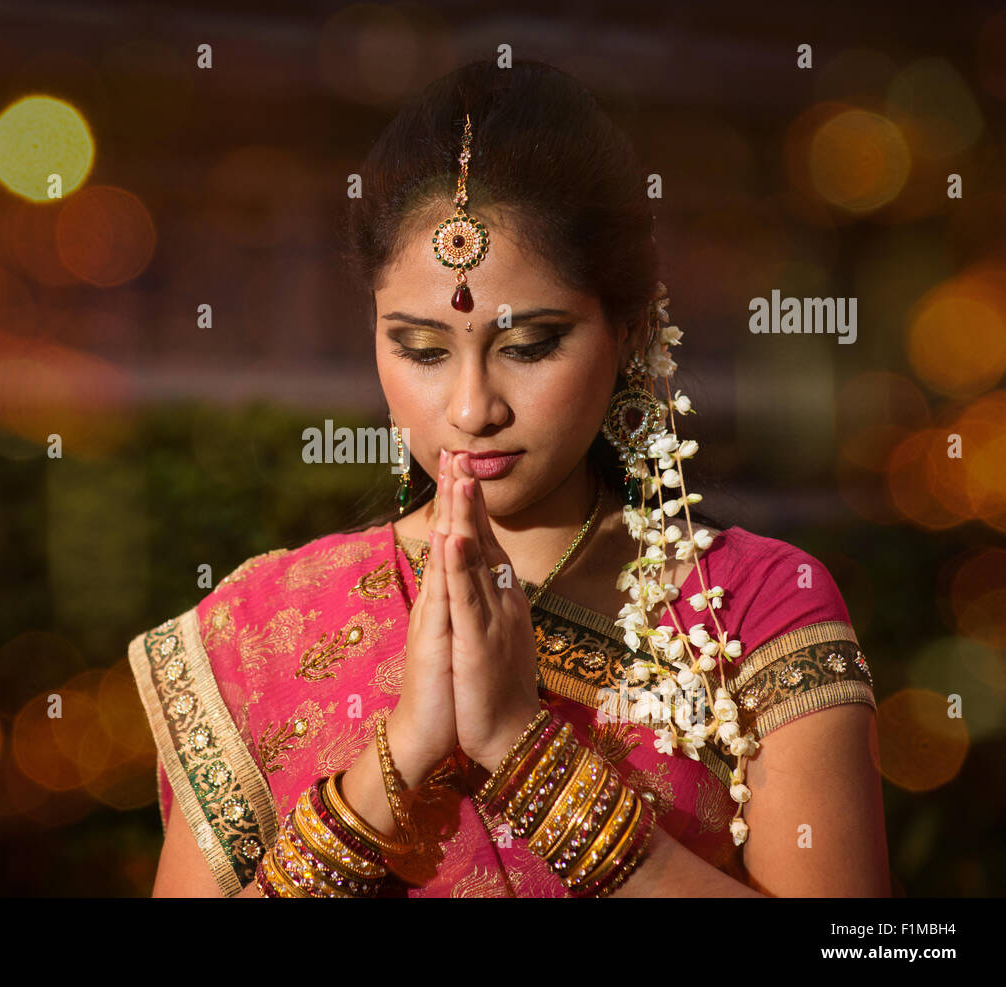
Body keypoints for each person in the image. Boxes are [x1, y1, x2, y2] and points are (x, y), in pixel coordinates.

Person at [128, 58, 890, 897]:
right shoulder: (261, 627)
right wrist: (393, 765)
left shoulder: (757, 609)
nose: (469, 407)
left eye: (529, 346)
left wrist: (525, 753)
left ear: (631, 330)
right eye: (420, 350)